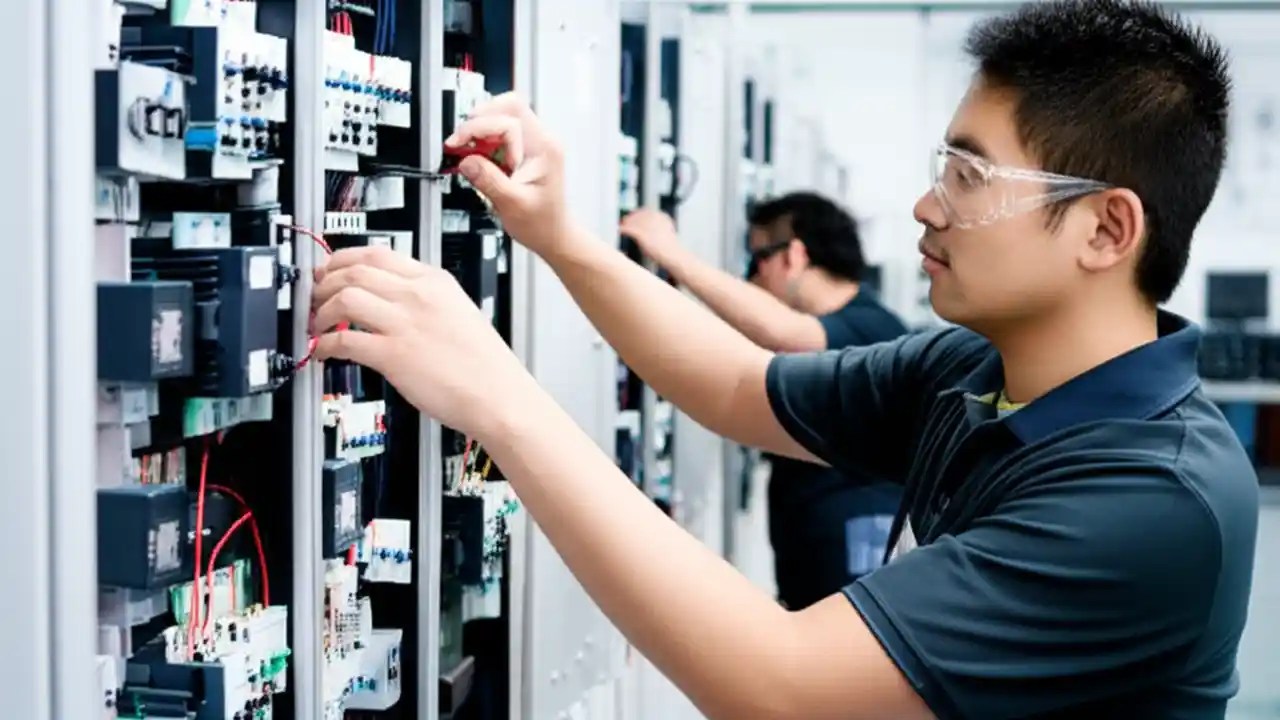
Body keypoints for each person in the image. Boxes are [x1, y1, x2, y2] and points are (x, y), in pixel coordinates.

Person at [309, 1, 1260, 717]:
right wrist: (562, 238)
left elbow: (780, 689)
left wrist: (501, 402)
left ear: (1106, 228)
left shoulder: (1154, 499)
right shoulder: (973, 371)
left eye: (970, 177)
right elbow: (734, 384)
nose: (929, 207)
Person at [620, 195, 908, 609]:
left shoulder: (871, 329)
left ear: (792, 255)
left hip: (853, 556)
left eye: (756, 261)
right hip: (822, 563)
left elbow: (778, 331)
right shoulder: (853, 325)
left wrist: (670, 253)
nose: (751, 279)